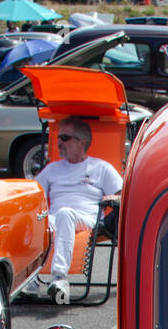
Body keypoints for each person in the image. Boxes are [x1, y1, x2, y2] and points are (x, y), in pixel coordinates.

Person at [19, 118, 122, 301]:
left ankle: (59, 278)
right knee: (39, 221)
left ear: (81, 142)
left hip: (87, 219)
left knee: (65, 214)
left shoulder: (100, 168)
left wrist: (114, 198)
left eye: (65, 138)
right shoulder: (53, 169)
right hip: (56, 219)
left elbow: (123, 194)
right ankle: (31, 281)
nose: (59, 142)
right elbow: (32, 192)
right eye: (58, 138)